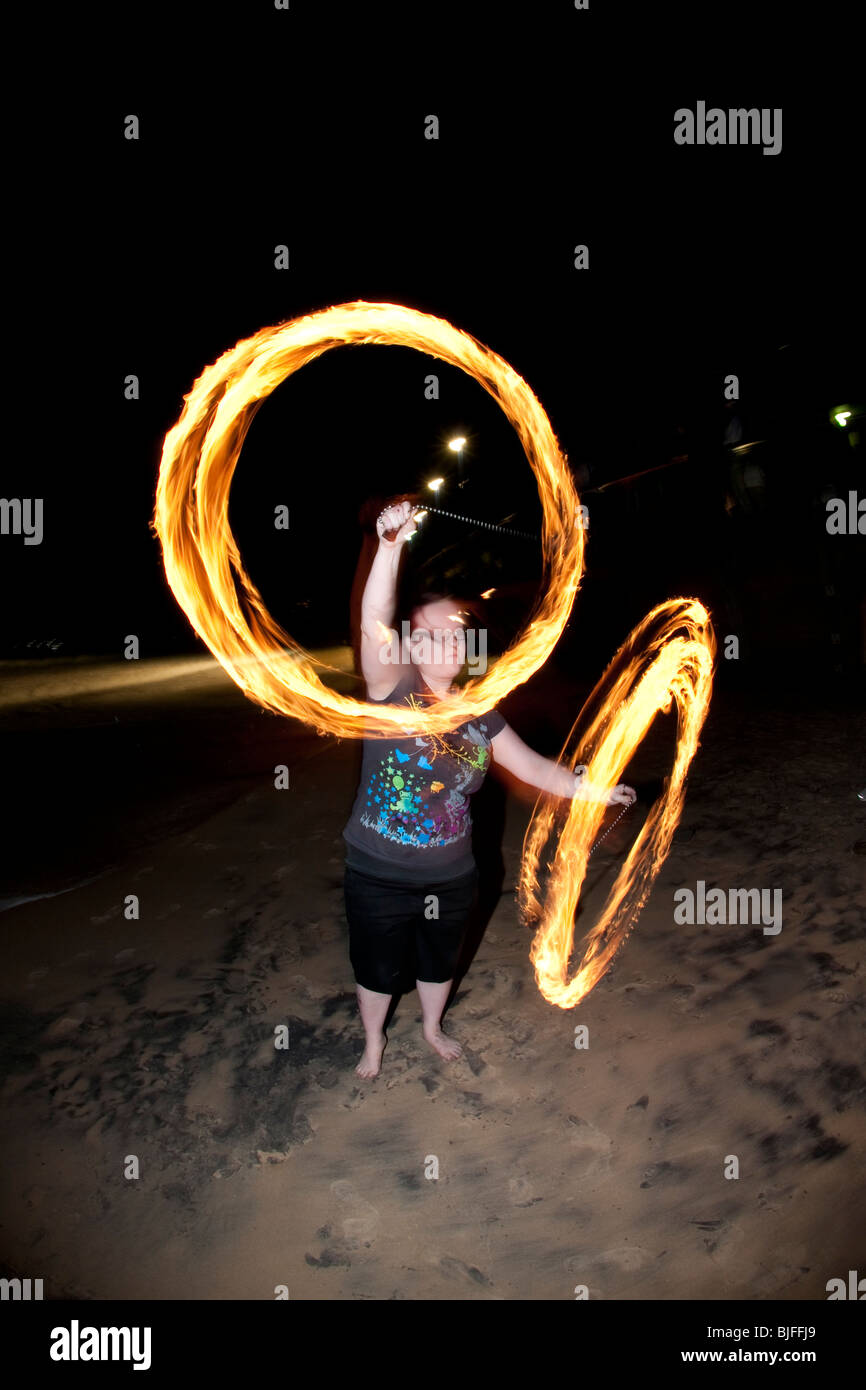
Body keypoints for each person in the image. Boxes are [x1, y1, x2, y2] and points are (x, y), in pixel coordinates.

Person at [342, 499, 636, 1078]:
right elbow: (373, 619)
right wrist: (392, 547)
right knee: (377, 964)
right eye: (425, 635)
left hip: (451, 872)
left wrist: (593, 789)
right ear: (407, 644)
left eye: (453, 634)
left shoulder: (482, 715)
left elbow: (533, 768)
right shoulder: (393, 690)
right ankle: (373, 1041)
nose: (442, 644)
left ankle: (430, 1027)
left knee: (439, 957)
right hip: (379, 866)